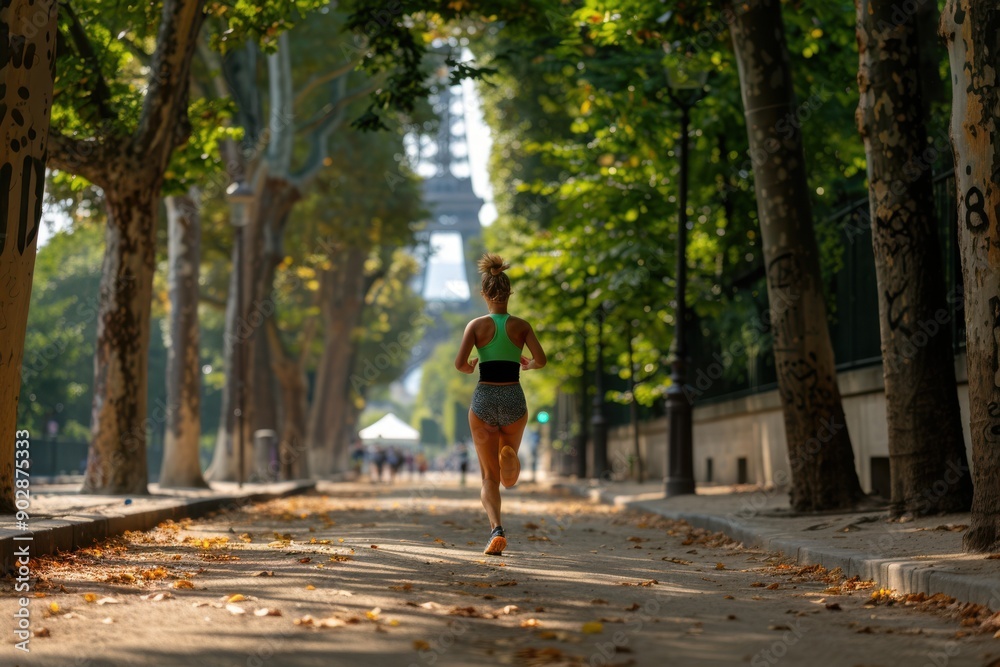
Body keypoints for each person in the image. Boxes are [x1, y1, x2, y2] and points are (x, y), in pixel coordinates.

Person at [454, 252, 546, 556]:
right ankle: (510, 461)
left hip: (484, 397)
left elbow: (461, 365)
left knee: (488, 477)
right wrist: (528, 364)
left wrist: (471, 366)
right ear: (509, 293)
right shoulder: (521, 325)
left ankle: (496, 529)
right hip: (513, 396)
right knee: (508, 467)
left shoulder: (476, 326)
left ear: (484, 293)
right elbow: (541, 360)